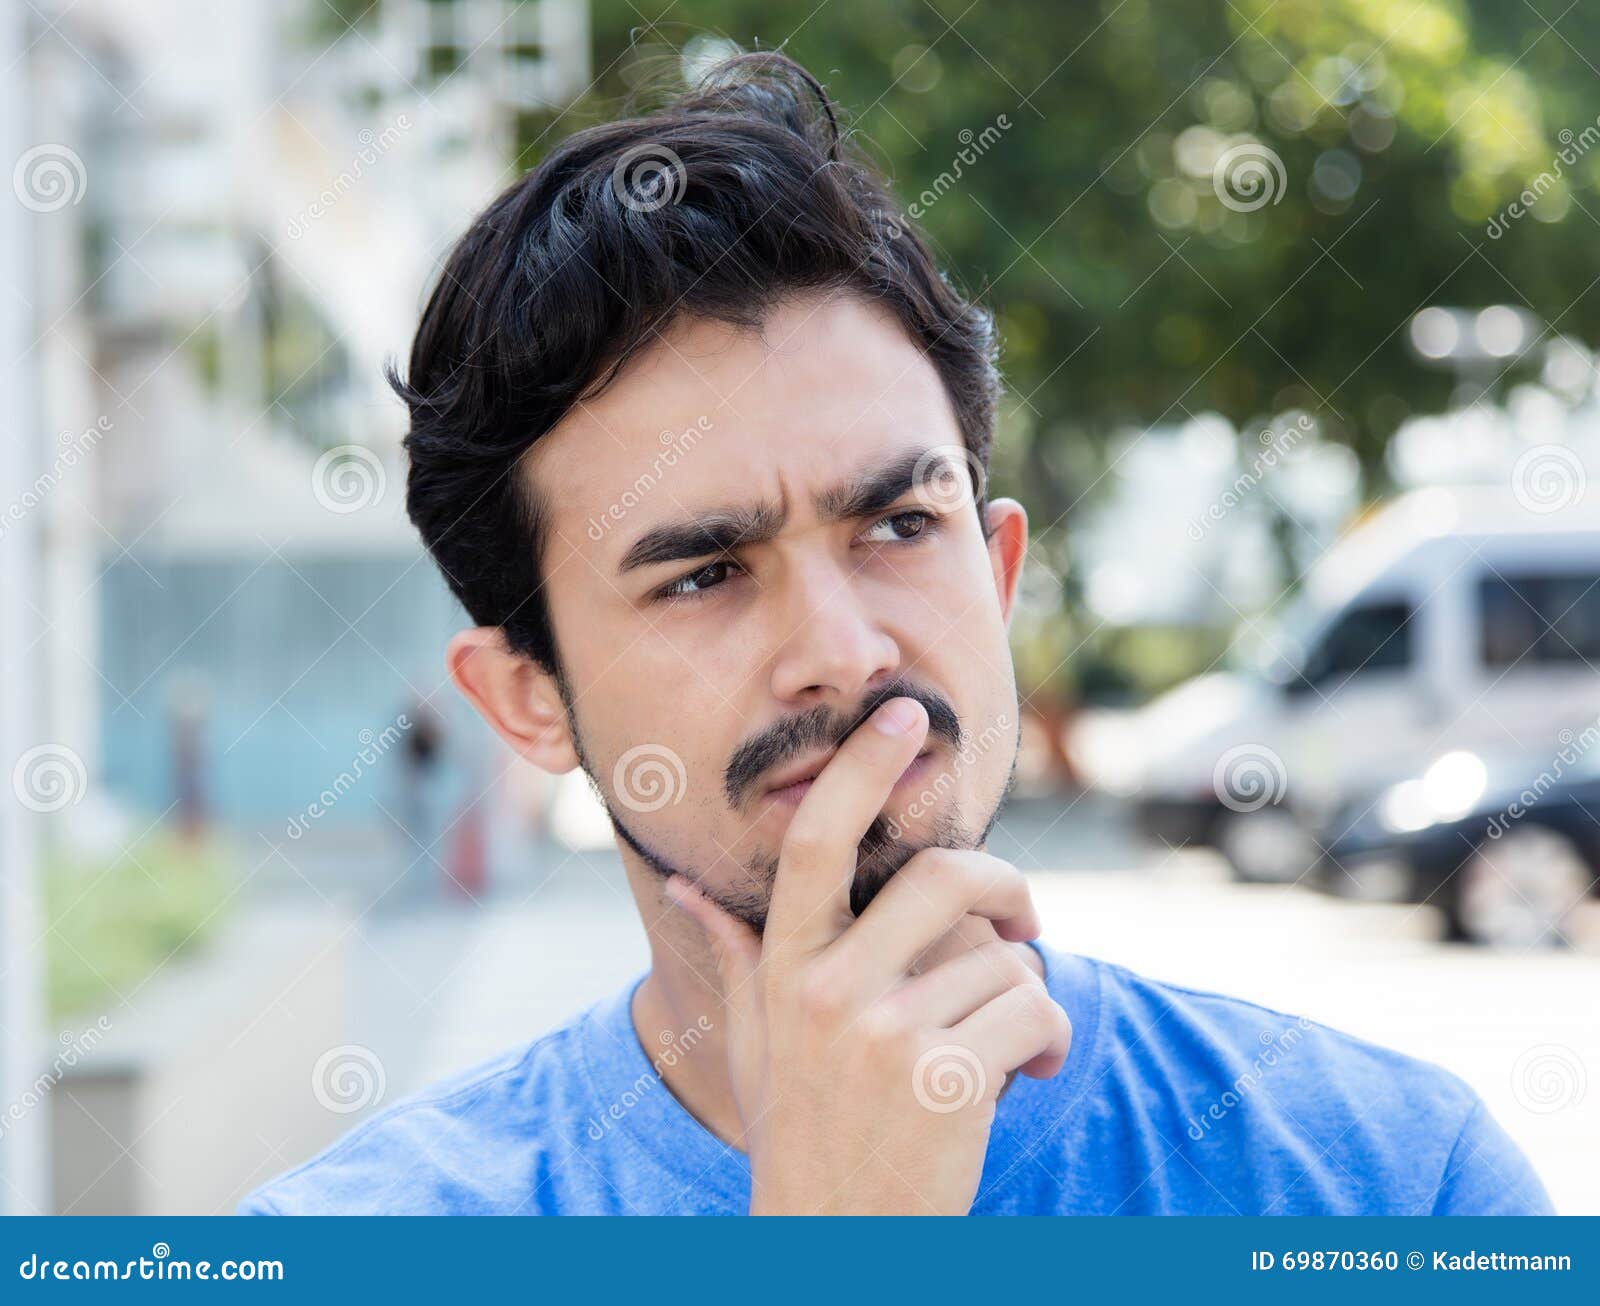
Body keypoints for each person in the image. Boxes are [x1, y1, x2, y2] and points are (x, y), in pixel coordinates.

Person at [239, 53, 1550, 1216]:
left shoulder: (1392, 1187)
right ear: (529, 698)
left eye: (897, 524)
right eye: (704, 573)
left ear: (999, 571)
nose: (848, 649)